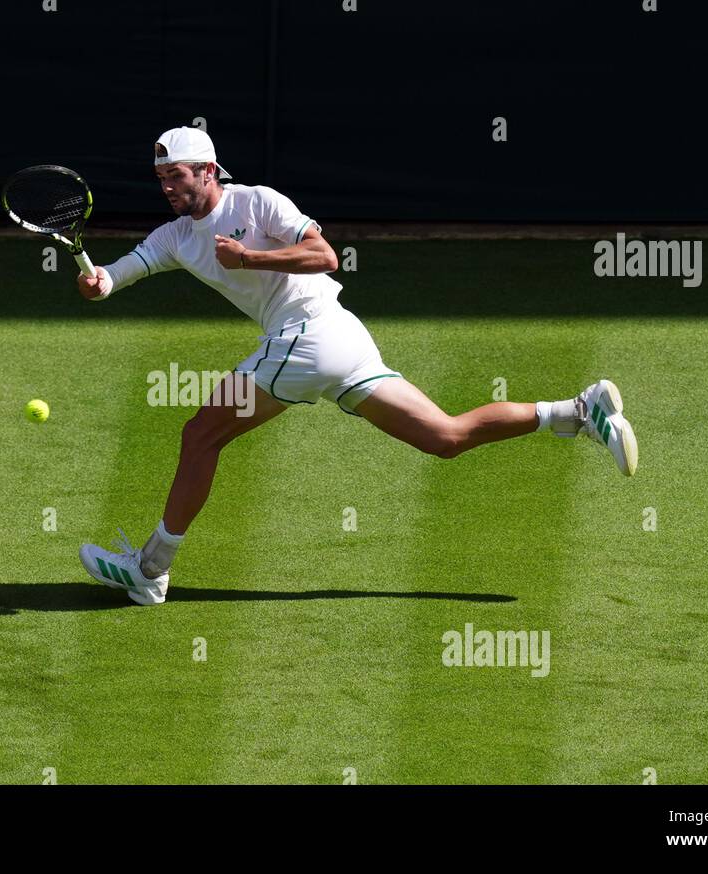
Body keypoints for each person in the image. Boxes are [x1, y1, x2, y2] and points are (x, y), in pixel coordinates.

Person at [76, 127, 637, 605]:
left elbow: (325, 256)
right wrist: (99, 281)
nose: (168, 187)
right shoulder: (174, 237)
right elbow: (120, 271)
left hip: (312, 332)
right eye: (161, 179)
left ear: (207, 170)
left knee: (200, 434)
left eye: (177, 175)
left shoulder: (258, 202)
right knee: (444, 436)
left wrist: (248, 257)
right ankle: (577, 412)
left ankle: (150, 572)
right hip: (336, 341)